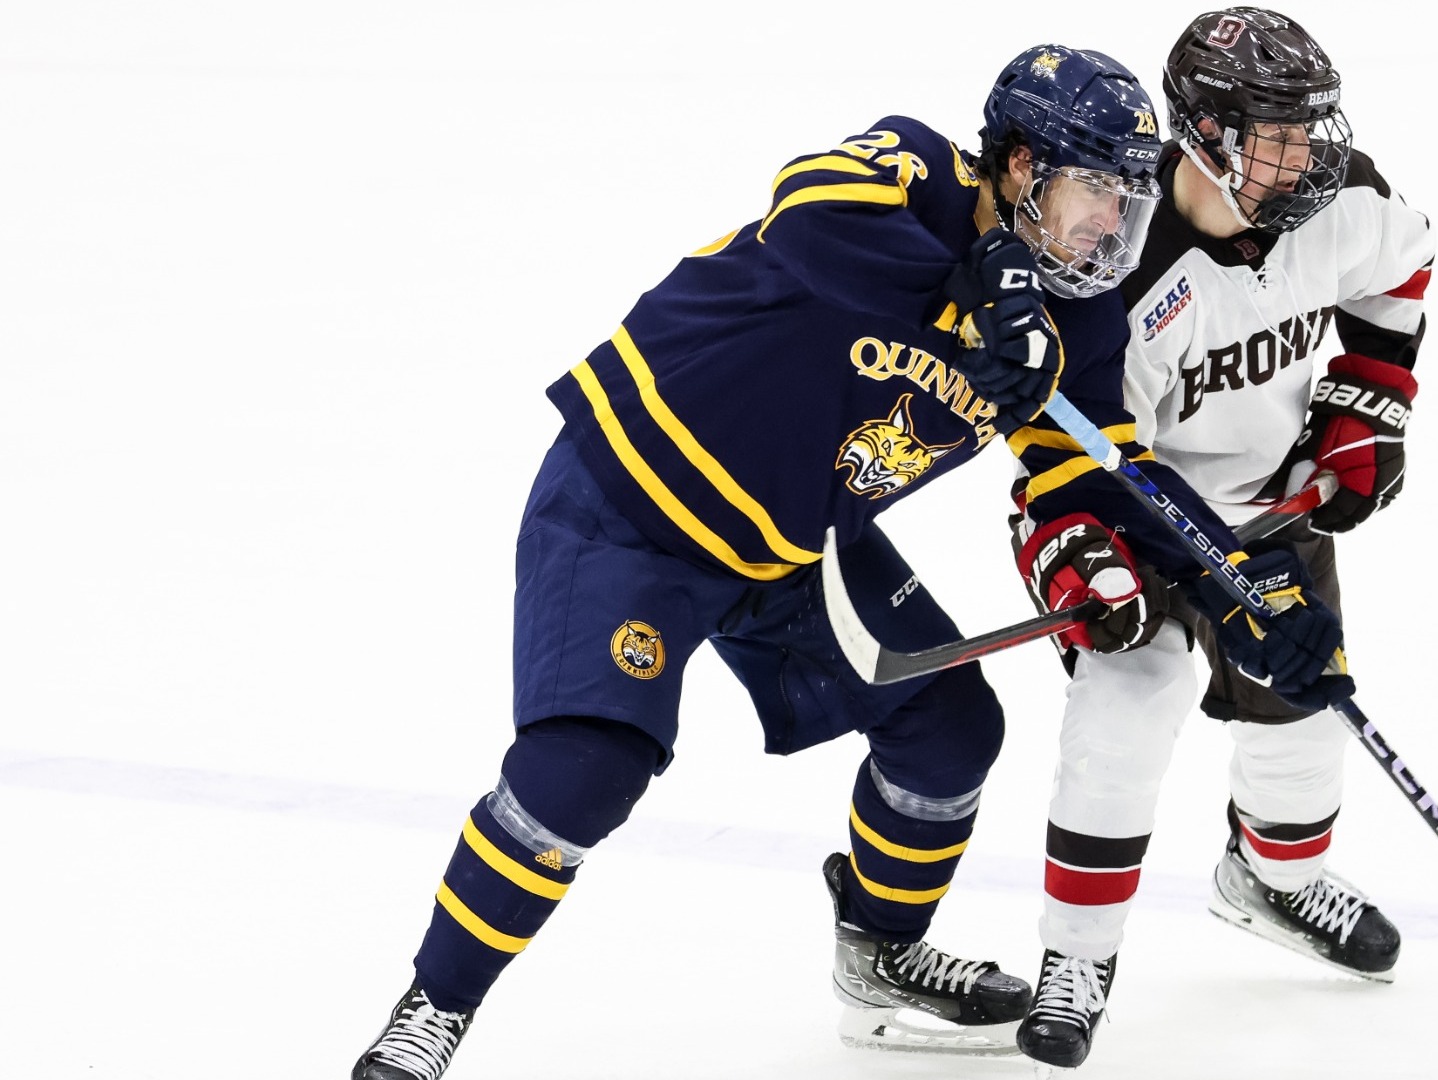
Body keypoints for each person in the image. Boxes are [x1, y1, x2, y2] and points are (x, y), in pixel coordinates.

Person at [348, 42, 1341, 1080]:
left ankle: (881, 957)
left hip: (792, 548)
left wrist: (1236, 583)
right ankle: (433, 1009)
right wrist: (969, 273)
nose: (1110, 223)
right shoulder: (914, 170)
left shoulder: (1077, 319)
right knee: (588, 766)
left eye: (1127, 199)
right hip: (630, 504)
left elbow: (1098, 472)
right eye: (1093, 187)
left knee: (950, 729)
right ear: (1016, 167)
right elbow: (805, 215)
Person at [1008, 8, 1438, 1069]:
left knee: (1306, 719)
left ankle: (1273, 881)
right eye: (1277, 132)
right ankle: (1078, 956)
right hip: (1129, 520)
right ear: (1202, 133)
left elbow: (1401, 272)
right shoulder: (1116, 261)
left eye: (1309, 126)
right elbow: (1065, 462)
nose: (1308, 154)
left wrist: (1364, 409)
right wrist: (1082, 555)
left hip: (1266, 509)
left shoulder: (1343, 203)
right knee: (1124, 721)